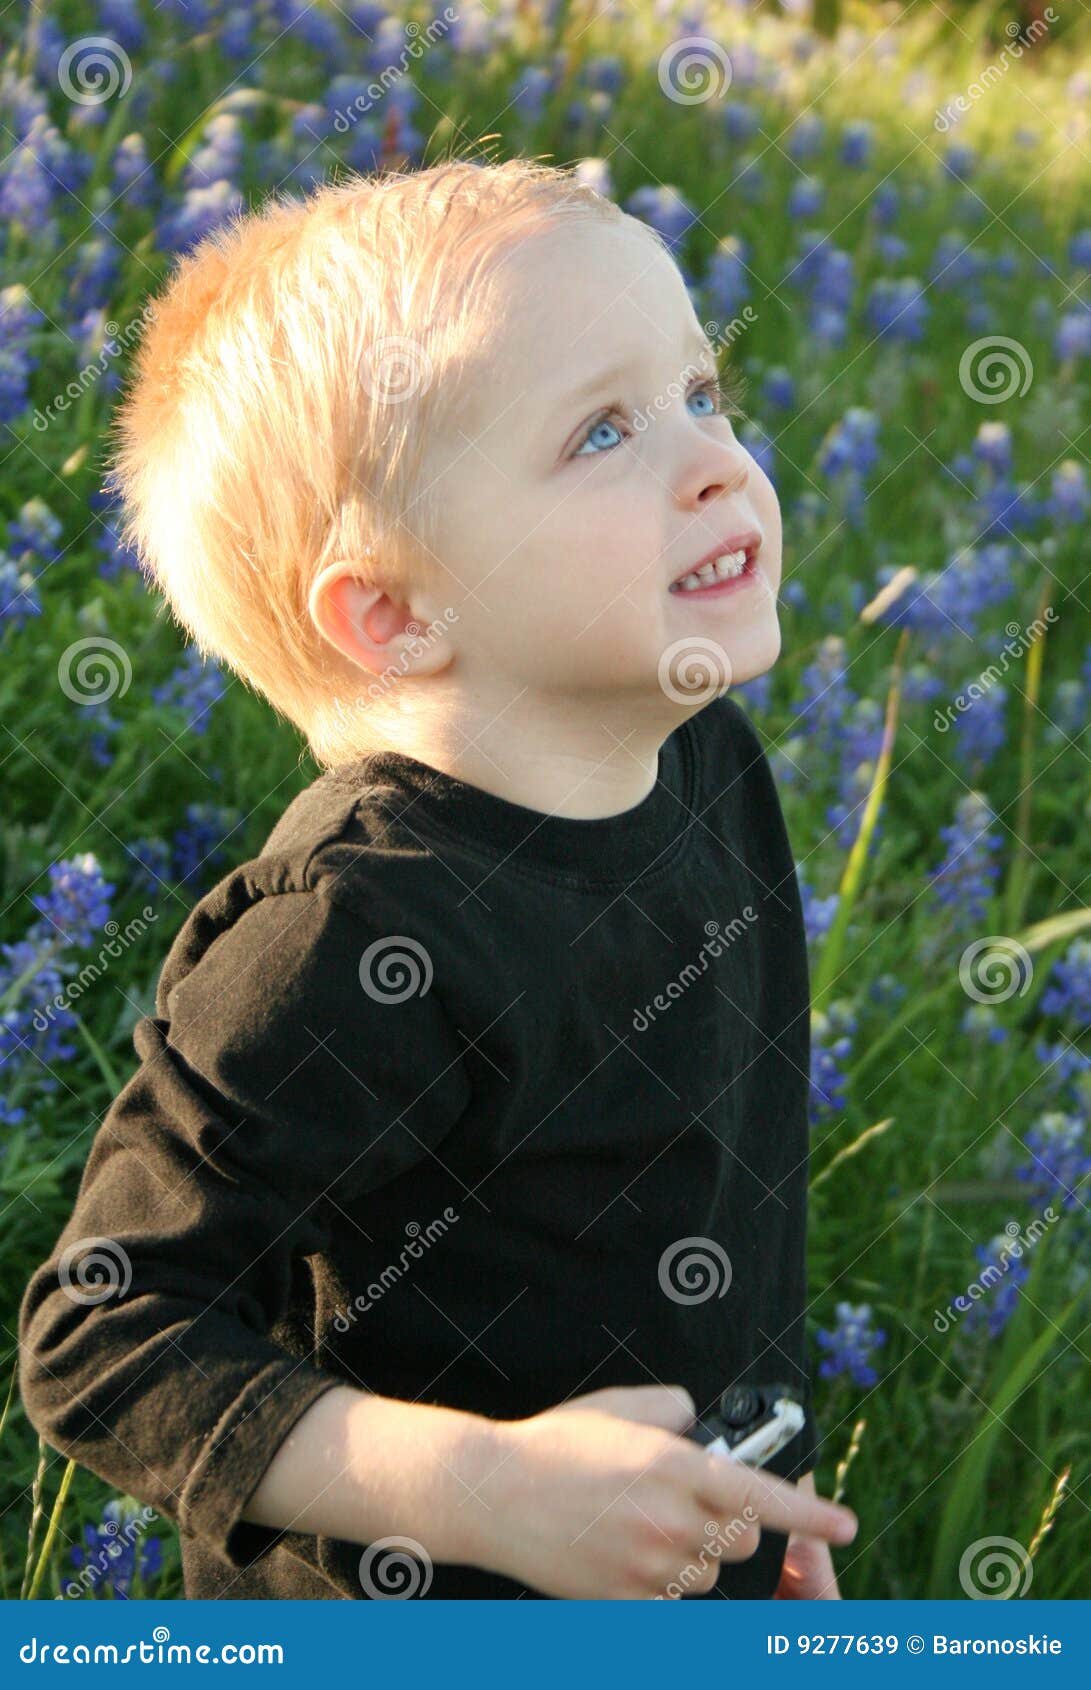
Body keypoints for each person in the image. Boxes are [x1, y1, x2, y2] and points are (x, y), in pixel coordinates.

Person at [19, 156, 857, 1601]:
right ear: (397, 613)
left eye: (702, 395)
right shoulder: (346, 935)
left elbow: (710, 1201)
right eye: (603, 431)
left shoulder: (706, 762)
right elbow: (107, 1333)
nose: (719, 458)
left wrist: (738, 1501)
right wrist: (480, 1489)